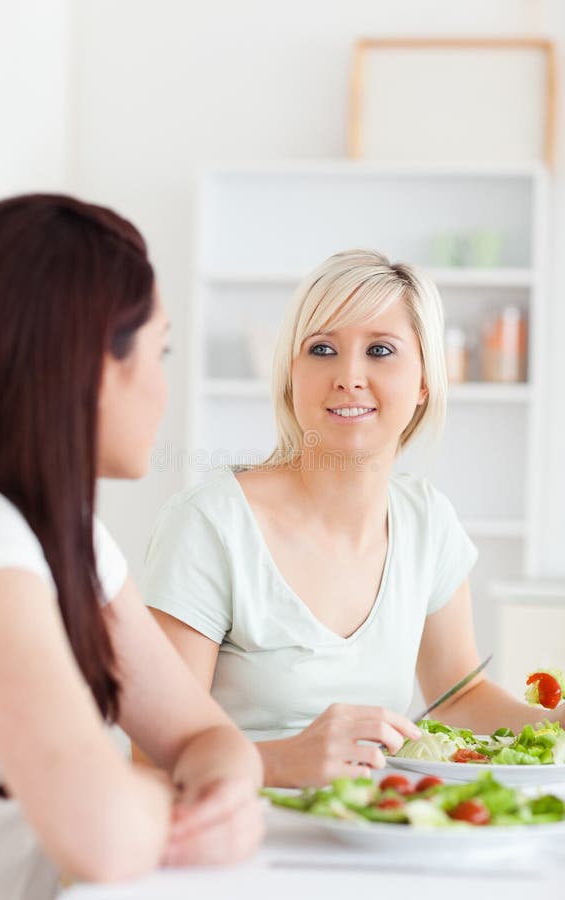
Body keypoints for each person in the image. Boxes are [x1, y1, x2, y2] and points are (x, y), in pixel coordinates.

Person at [142, 249, 560, 789]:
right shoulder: (208, 526)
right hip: (232, 833)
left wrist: (555, 725)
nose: (348, 376)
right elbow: (152, 757)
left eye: (381, 350)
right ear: (292, 377)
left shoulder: (427, 521)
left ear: (425, 383)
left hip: (371, 827)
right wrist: (283, 760)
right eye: (322, 349)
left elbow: (459, 696)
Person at [0, 194, 263, 900]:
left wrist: (221, 787)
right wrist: (194, 810)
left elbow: (205, 737)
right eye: (157, 350)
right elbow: (99, 833)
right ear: (92, 361)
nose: (163, 385)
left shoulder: (68, 537)